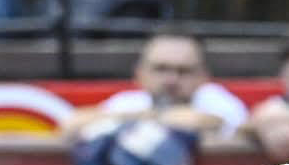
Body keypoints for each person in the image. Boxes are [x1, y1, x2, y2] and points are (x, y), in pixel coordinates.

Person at [63, 31, 247, 140]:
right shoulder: (129, 102)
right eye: (161, 69)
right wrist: (145, 116)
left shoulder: (217, 99)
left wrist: (128, 120)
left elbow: (202, 122)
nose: (171, 80)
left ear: (203, 76)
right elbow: (71, 125)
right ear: (139, 74)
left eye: (184, 71)